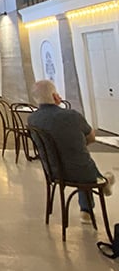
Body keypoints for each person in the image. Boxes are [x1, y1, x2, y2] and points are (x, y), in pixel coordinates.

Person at [28, 79, 114, 221]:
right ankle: (94, 197)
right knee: (81, 160)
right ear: (55, 96)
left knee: (76, 159)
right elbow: (91, 137)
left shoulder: (32, 119)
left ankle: (102, 184)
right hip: (82, 172)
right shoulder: (72, 115)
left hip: (54, 172)